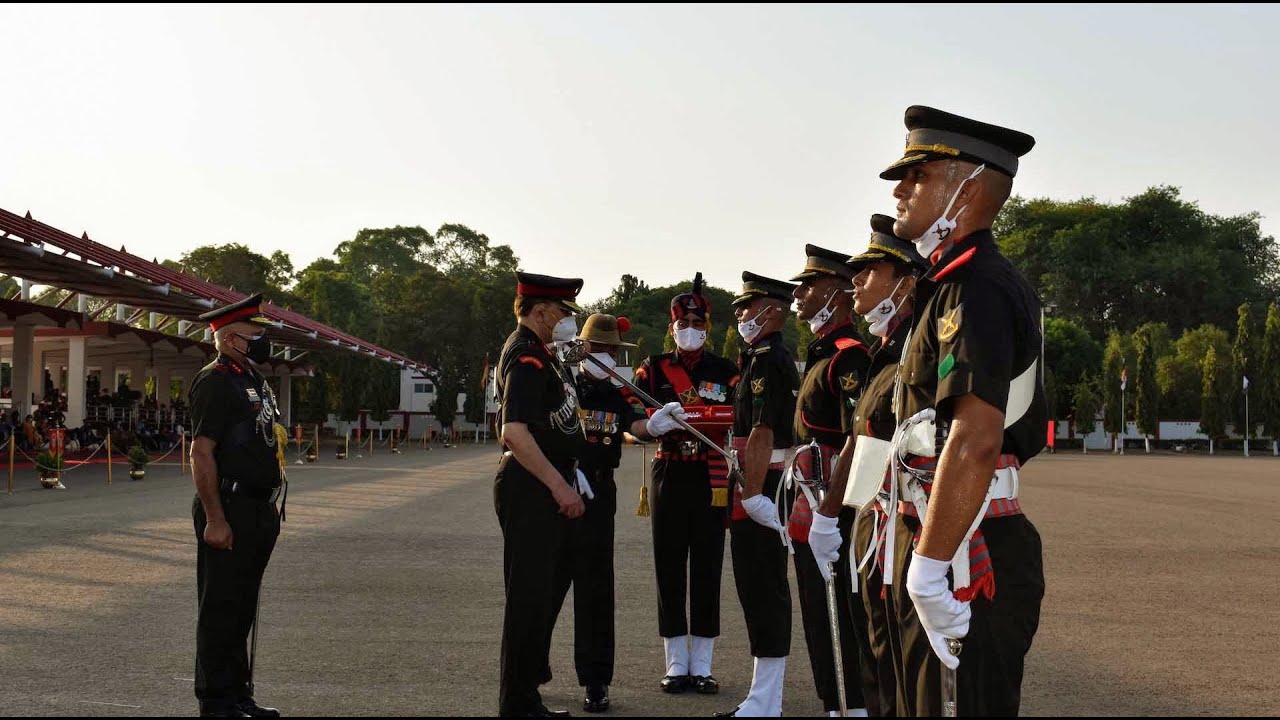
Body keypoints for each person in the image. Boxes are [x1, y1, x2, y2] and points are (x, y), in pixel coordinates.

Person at [879, 106, 1047, 715]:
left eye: (918, 176)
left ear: (967, 187)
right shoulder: (946, 285)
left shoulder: (976, 287)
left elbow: (975, 438)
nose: (900, 189)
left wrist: (928, 567)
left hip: (964, 544)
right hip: (938, 532)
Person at [548, 313, 685, 713]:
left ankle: (595, 680)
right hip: (557, 490)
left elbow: (634, 424)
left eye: (613, 351)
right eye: (600, 349)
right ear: (582, 349)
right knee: (547, 585)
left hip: (598, 491)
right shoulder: (562, 383)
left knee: (595, 589)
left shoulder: (617, 391)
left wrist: (655, 425)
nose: (607, 357)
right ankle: (531, 668)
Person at [828, 215, 929, 716]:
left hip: (903, 527)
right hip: (873, 522)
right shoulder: (884, 350)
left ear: (905, 281)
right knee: (879, 656)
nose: (857, 283)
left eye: (870, 272)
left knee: (903, 663)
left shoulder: (915, 348)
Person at [632, 273, 740, 696]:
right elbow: (632, 423)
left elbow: (739, 417)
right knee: (669, 565)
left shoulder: (726, 370)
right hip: (670, 473)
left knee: (709, 566)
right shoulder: (653, 368)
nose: (689, 331)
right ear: (672, 327)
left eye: (697, 325)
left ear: (706, 328)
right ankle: (676, 662)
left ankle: (704, 665)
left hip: (711, 475)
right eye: (682, 325)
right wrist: (650, 425)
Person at [786, 245, 873, 717]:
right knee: (819, 615)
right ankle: (833, 704)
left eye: (810, 286)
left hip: (837, 503)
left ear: (838, 294)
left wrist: (829, 513)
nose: (798, 295)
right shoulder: (823, 354)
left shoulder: (849, 358)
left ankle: (853, 705)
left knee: (843, 612)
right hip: (813, 497)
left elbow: (857, 441)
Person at [187, 293, 284, 718]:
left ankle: (239, 695)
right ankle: (216, 702)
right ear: (229, 339)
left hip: (258, 507)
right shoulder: (214, 381)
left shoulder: (252, 378)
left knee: (242, 606)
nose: (262, 343)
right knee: (221, 607)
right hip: (228, 504)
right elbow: (201, 452)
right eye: (254, 336)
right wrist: (214, 518)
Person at [716, 272, 801, 718]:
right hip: (752, 479)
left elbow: (764, 430)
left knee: (764, 586)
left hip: (763, 483)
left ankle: (767, 699)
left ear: (774, 311)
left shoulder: (768, 358)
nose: (741, 314)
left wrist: (750, 494)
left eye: (748, 307)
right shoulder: (754, 357)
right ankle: (761, 695)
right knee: (754, 587)